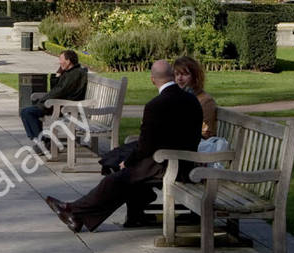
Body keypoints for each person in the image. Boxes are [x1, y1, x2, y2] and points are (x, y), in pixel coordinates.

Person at [45, 59, 202, 233]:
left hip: (168, 165)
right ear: (172, 76)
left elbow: (146, 146)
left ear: (152, 79)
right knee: (120, 171)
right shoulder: (192, 101)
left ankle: (74, 211)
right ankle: (79, 215)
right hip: (184, 162)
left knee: (118, 177)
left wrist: (128, 162)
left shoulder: (155, 105)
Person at [19, 50, 88, 148]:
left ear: (68, 61)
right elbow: (56, 89)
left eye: (61, 59)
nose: (59, 62)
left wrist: (44, 100)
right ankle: (42, 141)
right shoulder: (69, 72)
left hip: (64, 107)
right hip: (58, 104)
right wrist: (57, 75)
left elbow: (60, 91)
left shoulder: (75, 74)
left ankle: (41, 141)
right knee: (26, 111)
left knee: (28, 112)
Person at [173, 55, 217, 140]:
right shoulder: (177, 97)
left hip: (196, 147)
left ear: (195, 76)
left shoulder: (206, 101)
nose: (179, 78)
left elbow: (206, 133)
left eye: (184, 74)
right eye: (177, 74)